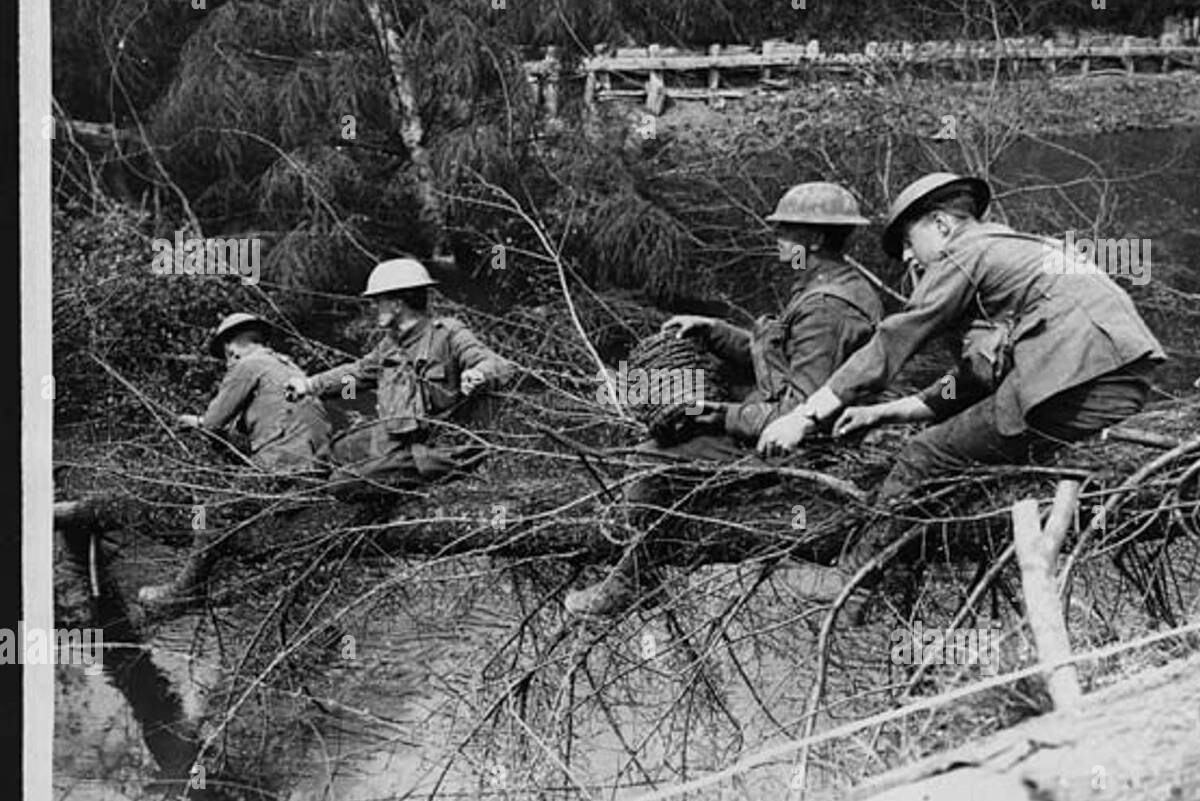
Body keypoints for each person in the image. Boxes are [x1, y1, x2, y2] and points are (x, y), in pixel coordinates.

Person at [757, 171, 1167, 588]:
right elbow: (973, 379)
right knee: (957, 442)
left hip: (1074, 380)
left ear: (941, 224)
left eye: (909, 241)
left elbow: (894, 340)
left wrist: (805, 416)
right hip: (1119, 378)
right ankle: (899, 568)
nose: (908, 257)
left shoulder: (963, 254)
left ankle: (852, 581)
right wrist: (886, 412)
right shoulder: (1022, 249)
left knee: (924, 454)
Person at [564, 181, 885, 619]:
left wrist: (715, 415)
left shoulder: (827, 308)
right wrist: (713, 330)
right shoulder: (827, 283)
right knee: (676, 433)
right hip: (788, 422)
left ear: (812, 238)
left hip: (805, 445)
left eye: (786, 231)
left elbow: (800, 412)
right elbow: (781, 362)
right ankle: (646, 558)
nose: (777, 239)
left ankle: (633, 578)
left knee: (653, 458)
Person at [138, 312, 331, 605]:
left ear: (231, 348)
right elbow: (261, 425)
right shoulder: (288, 366)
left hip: (283, 461)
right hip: (318, 464)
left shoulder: (247, 365)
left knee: (209, 510)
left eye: (226, 356)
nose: (227, 362)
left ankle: (185, 591)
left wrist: (198, 423)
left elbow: (213, 423)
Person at [285, 257, 513, 498]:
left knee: (342, 485)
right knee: (329, 454)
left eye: (378, 301)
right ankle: (297, 499)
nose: (373, 307)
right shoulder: (390, 344)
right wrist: (309, 385)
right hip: (400, 439)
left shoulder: (448, 333)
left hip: (438, 451)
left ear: (397, 303)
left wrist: (478, 374)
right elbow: (358, 373)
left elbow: (498, 365)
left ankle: (392, 498)